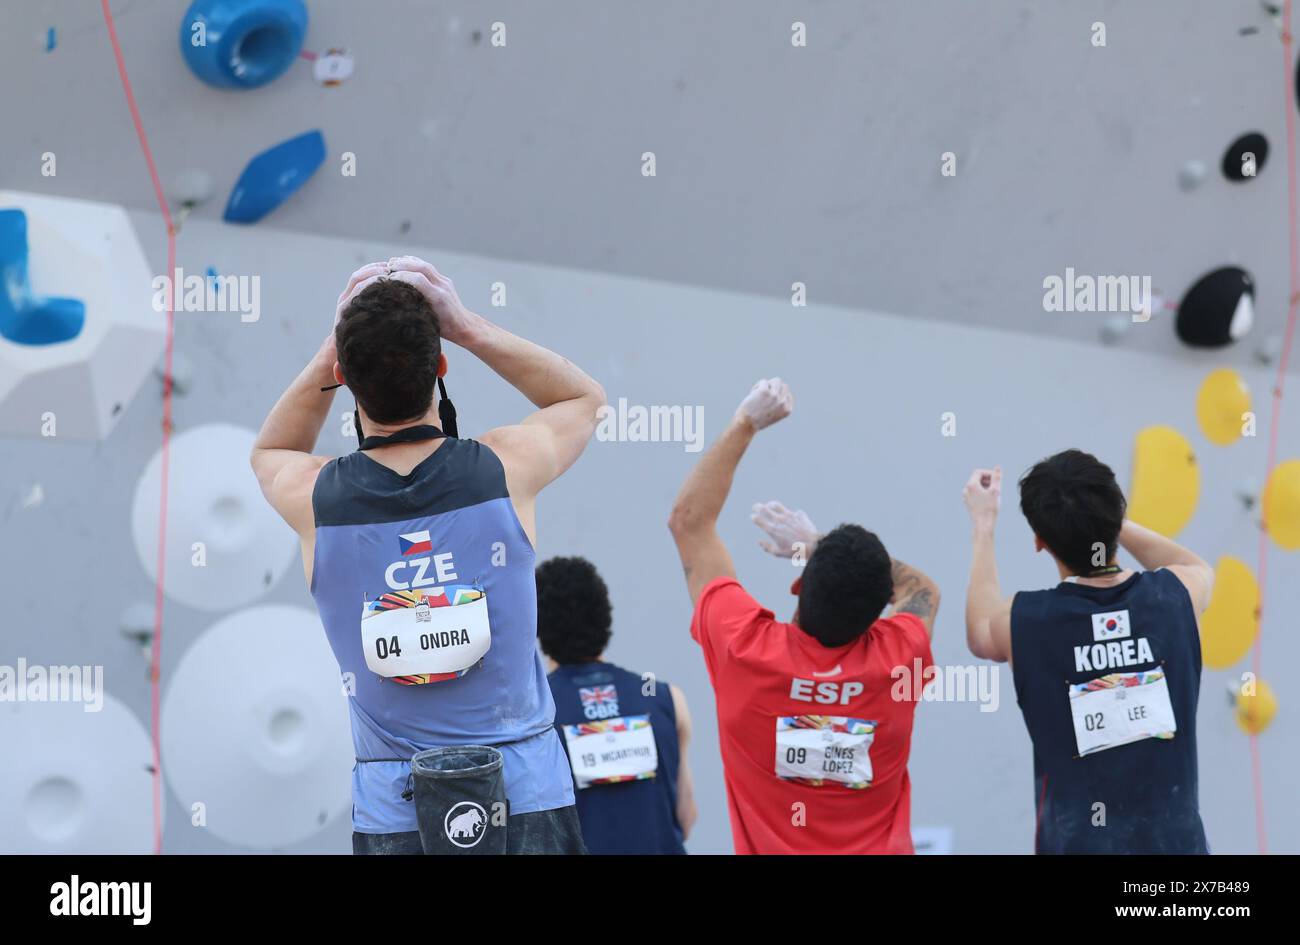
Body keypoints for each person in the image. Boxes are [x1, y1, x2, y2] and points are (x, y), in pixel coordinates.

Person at [251, 256, 605, 854]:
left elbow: (272, 447)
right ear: (440, 366)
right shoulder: (504, 467)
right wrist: (466, 325)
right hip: (524, 794)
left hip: (397, 812)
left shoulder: (315, 496)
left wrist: (336, 347)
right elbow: (583, 399)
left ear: (343, 376)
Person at [667, 378, 940, 854]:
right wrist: (818, 546)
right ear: (881, 609)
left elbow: (689, 522)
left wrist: (745, 423)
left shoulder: (743, 646)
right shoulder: (902, 656)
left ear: (798, 585)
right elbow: (923, 588)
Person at [961, 451, 1214, 854]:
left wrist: (983, 525)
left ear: (1040, 541)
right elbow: (1197, 565)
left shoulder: (1024, 621)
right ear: (1118, 513)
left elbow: (978, 631)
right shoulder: (1177, 594)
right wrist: (1105, 520)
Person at [536, 556, 697, 854]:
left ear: (537, 624)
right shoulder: (667, 699)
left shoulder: (533, 712)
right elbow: (686, 816)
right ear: (604, 614)